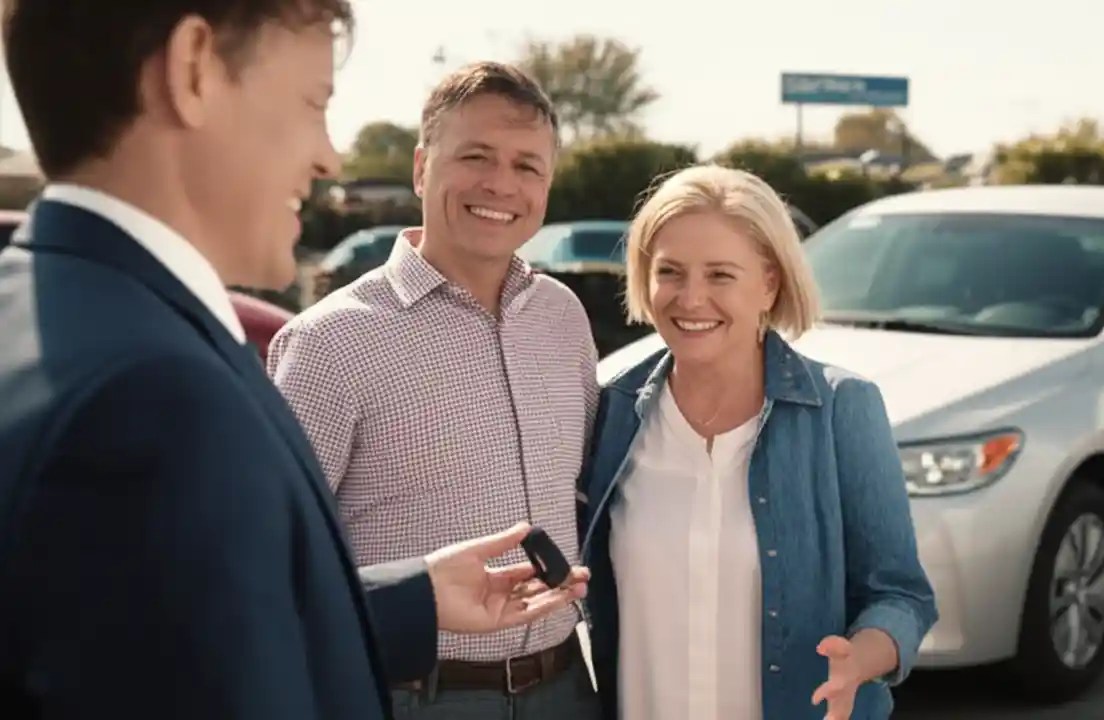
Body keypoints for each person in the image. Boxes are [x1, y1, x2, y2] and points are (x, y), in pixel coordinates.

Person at [0, 3, 587, 718]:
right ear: (193, 71)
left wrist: (414, 599)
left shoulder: (51, 315)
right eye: (314, 102)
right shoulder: (151, 392)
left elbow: (235, 613)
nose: (330, 159)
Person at [268, 61, 600, 719]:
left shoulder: (562, 317)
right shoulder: (329, 342)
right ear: (422, 168)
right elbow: (273, 560)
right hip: (414, 698)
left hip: (566, 688)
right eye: (475, 156)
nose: (501, 183)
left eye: (527, 166)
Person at [577, 165, 939, 720]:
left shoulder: (842, 408)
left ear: (769, 282)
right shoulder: (614, 411)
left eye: (720, 275)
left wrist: (859, 659)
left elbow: (902, 595)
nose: (691, 298)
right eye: (670, 271)